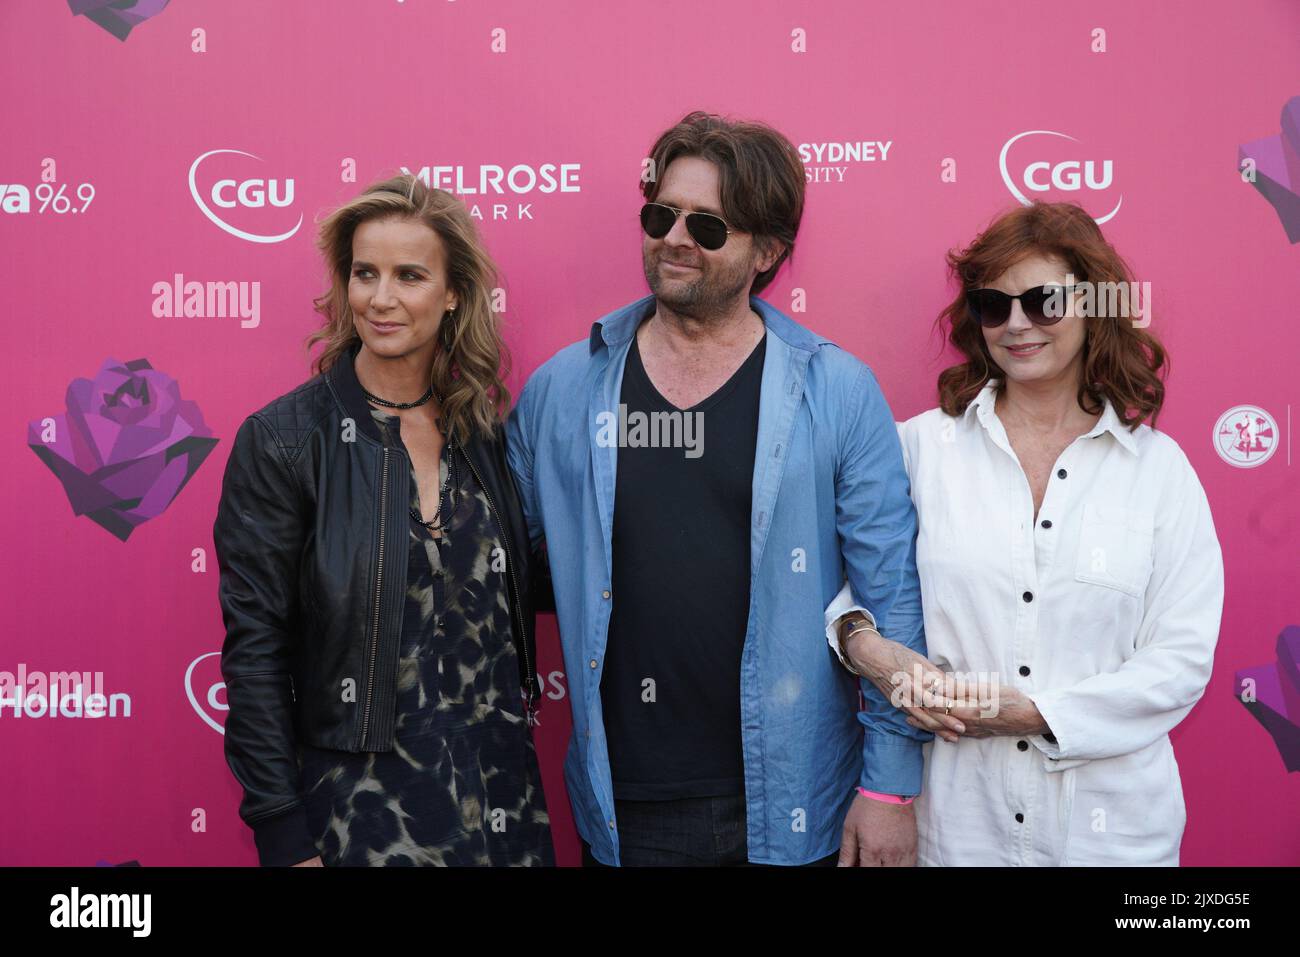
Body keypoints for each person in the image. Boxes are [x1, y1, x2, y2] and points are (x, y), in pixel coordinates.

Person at [507, 111, 945, 867]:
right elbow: (498, 567)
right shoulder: (563, 391)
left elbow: (891, 601)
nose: (675, 237)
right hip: (622, 809)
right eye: (660, 215)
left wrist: (890, 789)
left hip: (795, 799)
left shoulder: (836, 391)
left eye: (709, 227)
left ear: (766, 250)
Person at [826, 202, 1224, 865]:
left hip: (1112, 841)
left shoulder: (1158, 471)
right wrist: (873, 653)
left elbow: (1180, 662)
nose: (1017, 324)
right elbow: (843, 603)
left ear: (1093, 306)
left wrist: (1035, 713)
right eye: (993, 304)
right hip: (958, 833)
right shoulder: (919, 449)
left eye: (1043, 301)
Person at [213, 173, 553, 866]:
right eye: (364, 273)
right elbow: (255, 651)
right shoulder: (286, 441)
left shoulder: (482, 433)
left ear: (453, 291)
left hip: (500, 802)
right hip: (363, 812)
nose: (381, 297)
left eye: (409, 274)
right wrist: (281, 833)